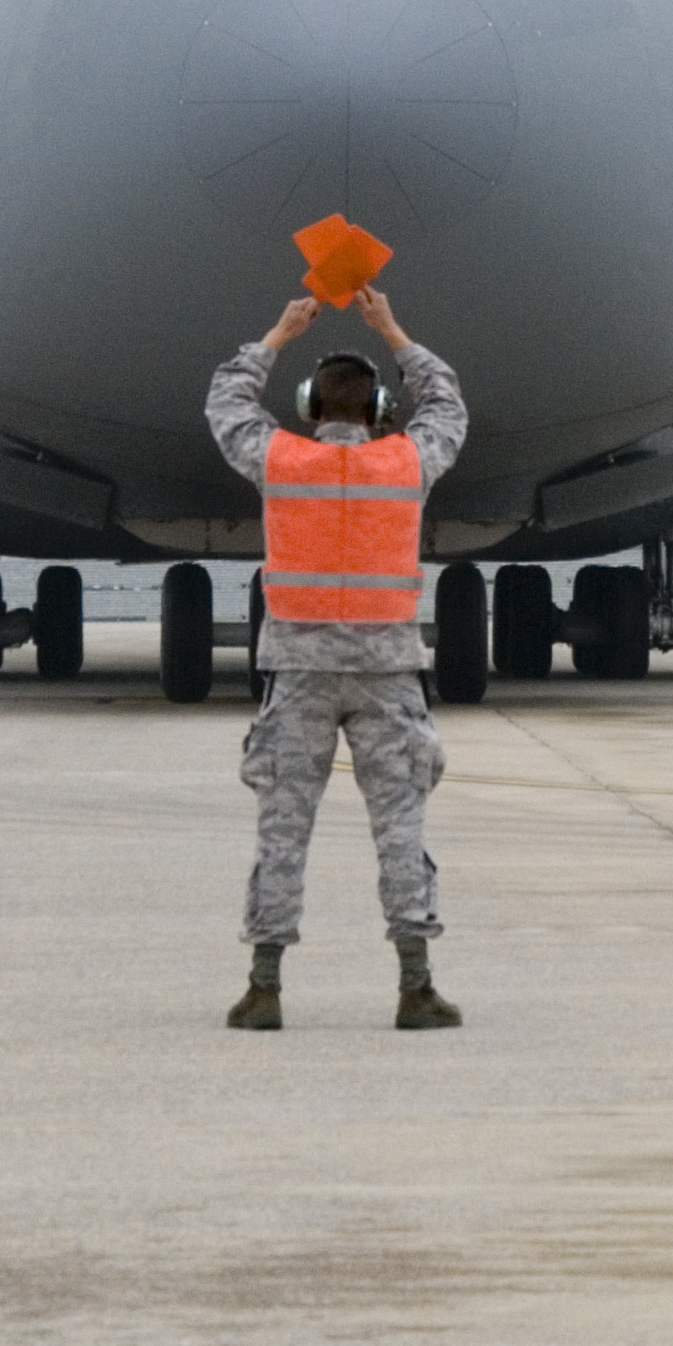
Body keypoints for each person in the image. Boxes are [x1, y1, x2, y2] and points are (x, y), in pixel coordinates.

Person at [205, 282, 469, 1031]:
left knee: (282, 829)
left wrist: (279, 328)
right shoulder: (406, 462)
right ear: (380, 410)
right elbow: (448, 404)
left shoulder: (281, 461)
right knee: (401, 825)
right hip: (387, 670)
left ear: (309, 407)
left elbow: (226, 399)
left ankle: (263, 989)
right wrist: (392, 326)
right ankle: (415, 987)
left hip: (299, 669)